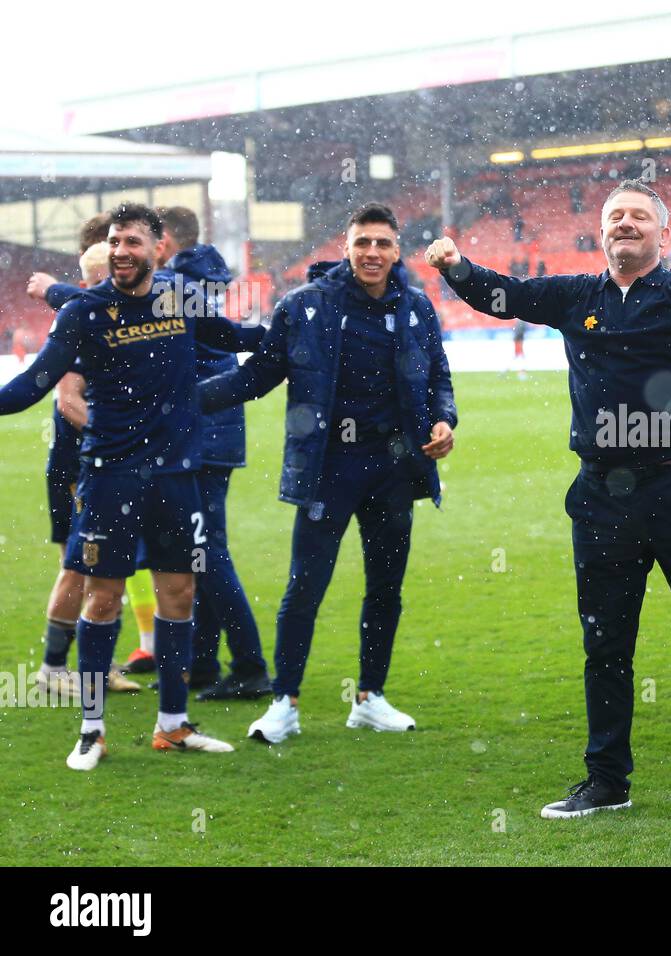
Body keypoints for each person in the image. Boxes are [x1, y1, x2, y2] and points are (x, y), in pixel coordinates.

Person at [426, 180, 671, 816]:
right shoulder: (577, 295)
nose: (626, 224)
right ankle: (606, 781)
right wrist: (456, 267)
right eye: (615, 216)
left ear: (660, 232)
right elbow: (504, 297)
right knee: (606, 645)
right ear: (602, 231)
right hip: (601, 496)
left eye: (639, 217)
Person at [0, 203, 259, 769]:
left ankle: (172, 725)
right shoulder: (85, 312)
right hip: (110, 478)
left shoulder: (176, 296)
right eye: (115, 241)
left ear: (156, 247)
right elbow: (32, 384)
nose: (120, 251)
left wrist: (285, 333)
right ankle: (92, 729)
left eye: (132, 242)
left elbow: (226, 334)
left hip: (176, 476)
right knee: (105, 597)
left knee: (179, 595)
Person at [200, 203, 457, 742]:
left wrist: (443, 420)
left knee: (386, 587)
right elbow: (256, 378)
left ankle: (370, 697)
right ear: (345, 245)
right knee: (304, 587)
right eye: (363, 242)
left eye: (382, 244)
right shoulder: (305, 306)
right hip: (328, 468)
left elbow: (438, 379)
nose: (372, 253)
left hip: (393, 470)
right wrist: (180, 403)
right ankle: (284, 703)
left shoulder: (416, 307)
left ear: (396, 249)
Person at [156, 206, 272, 701]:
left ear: (163, 241)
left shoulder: (172, 284)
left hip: (196, 431)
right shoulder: (199, 279)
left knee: (206, 552)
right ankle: (201, 663)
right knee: (201, 550)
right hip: (218, 430)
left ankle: (250, 665)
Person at [27, 238, 140, 698]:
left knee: (105, 569)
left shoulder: (115, 321)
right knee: (78, 568)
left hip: (105, 464)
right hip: (78, 466)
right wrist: (118, 433)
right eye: (101, 279)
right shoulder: (78, 323)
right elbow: (68, 399)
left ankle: (100, 666)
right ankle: (53, 668)